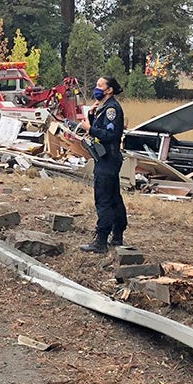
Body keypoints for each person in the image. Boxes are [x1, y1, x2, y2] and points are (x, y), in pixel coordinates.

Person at [79, 75, 128, 253]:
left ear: (109, 90)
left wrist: (89, 129)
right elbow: (102, 130)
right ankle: (117, 236)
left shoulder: (111, 109)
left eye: (100, 85)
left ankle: (101, 241)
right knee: (114, 197)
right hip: (107, 158)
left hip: (108, 158)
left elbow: (109, 135)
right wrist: (91, 116)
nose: (96, 88)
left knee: (104, 199)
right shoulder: (103, 107)